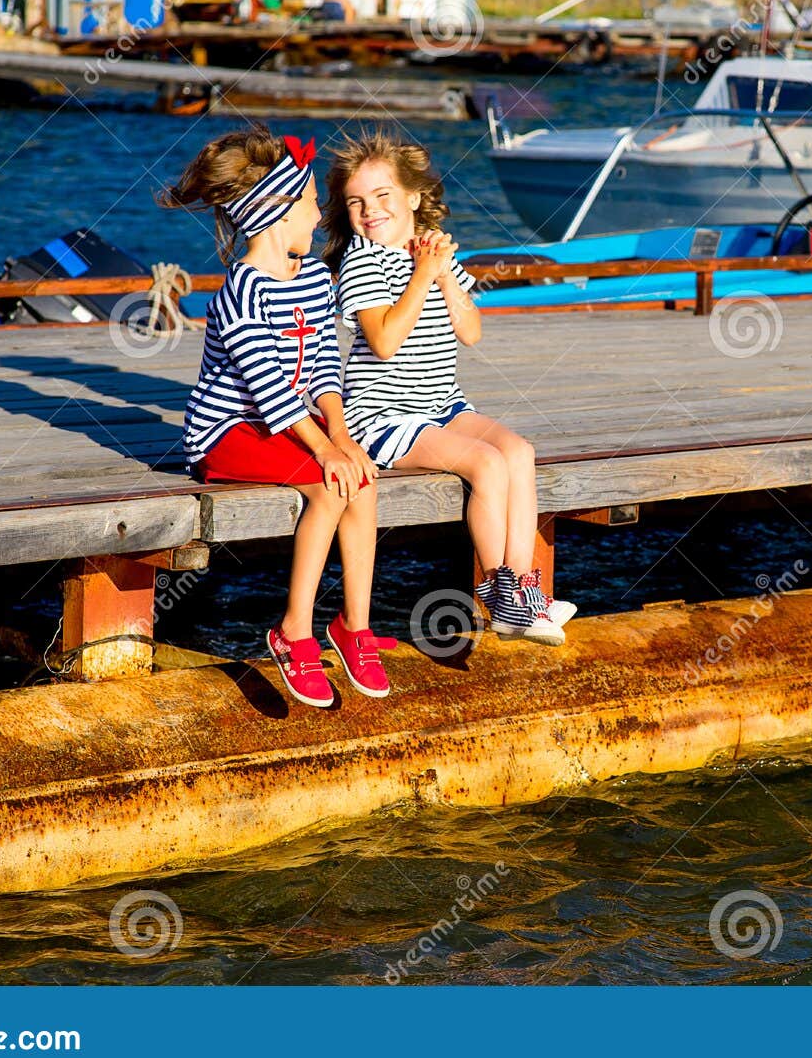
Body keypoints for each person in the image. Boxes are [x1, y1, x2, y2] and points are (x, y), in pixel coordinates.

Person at [158, 126, 394, 706]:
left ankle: (353, 628)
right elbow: (271, 392)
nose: (319, 215)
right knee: (326, 484)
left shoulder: (313, 275)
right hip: (228, 433)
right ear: (277, 212)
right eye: (312, 203)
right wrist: (323, 453)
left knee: (361, 475)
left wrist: (342, 438)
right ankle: (292, 634)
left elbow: (322, 375)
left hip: (291, 424)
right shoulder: (241, 290)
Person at [322, 131, 576, 645]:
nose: (370, 211)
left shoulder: (432, 254)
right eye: (356, 202)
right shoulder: (360, 262)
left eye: (383, 196)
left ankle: (523, 593)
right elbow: (386, 342)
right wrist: (422, 274)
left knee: (519, 452)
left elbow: (471, 331)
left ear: (414, 198)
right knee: (484, 464)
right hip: (383, 417)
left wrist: (441, 275)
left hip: (442, 404)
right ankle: (498, 592)